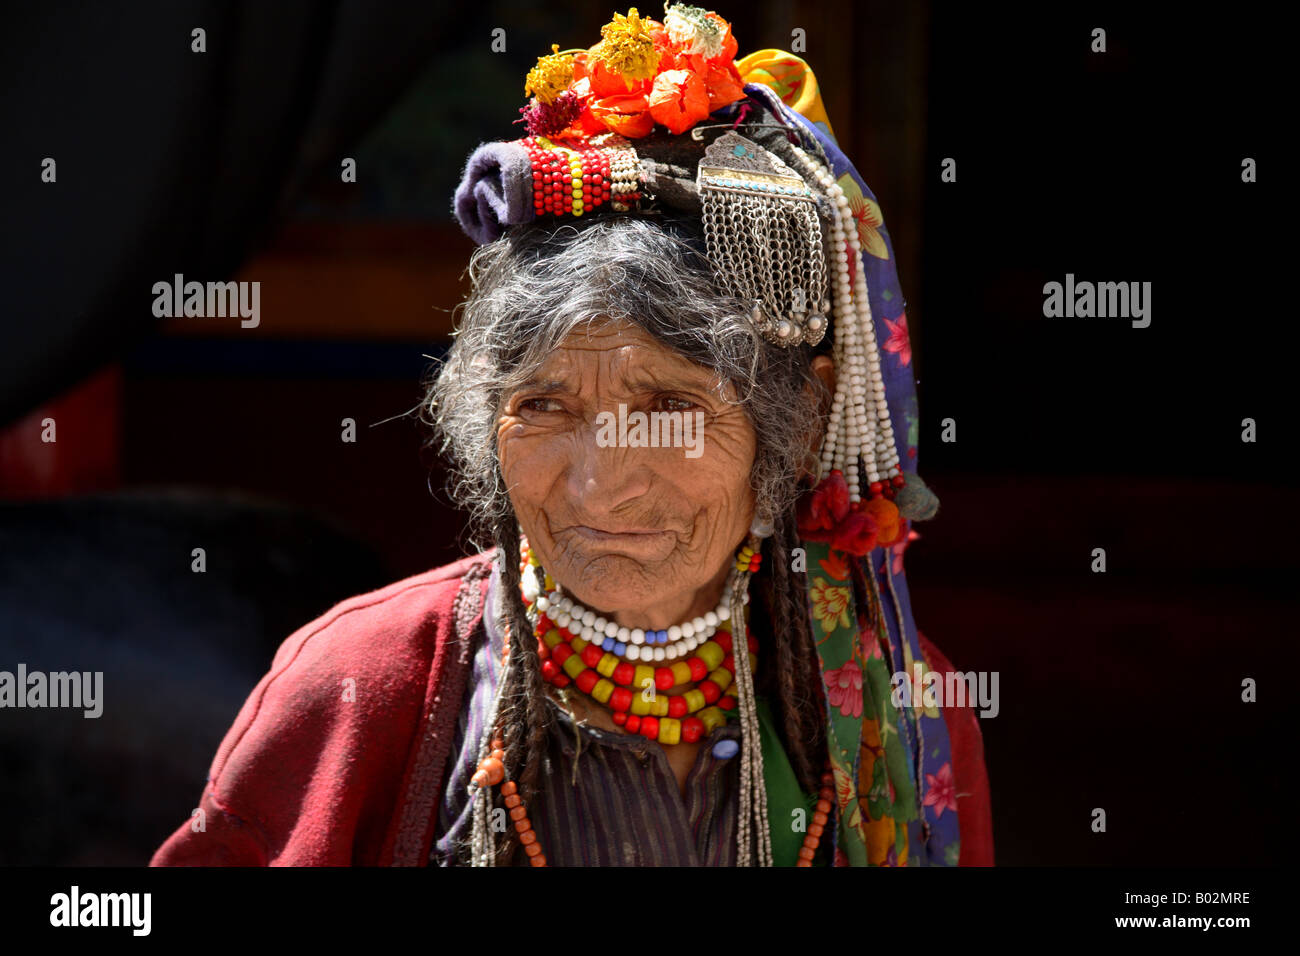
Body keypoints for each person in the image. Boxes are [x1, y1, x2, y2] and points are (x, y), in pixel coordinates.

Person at [152, 5, 992, 867]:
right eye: (545, 408)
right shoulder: (359, 684)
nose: (599, 486)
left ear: (798, 423)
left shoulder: (900, 710)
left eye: (670, 410)